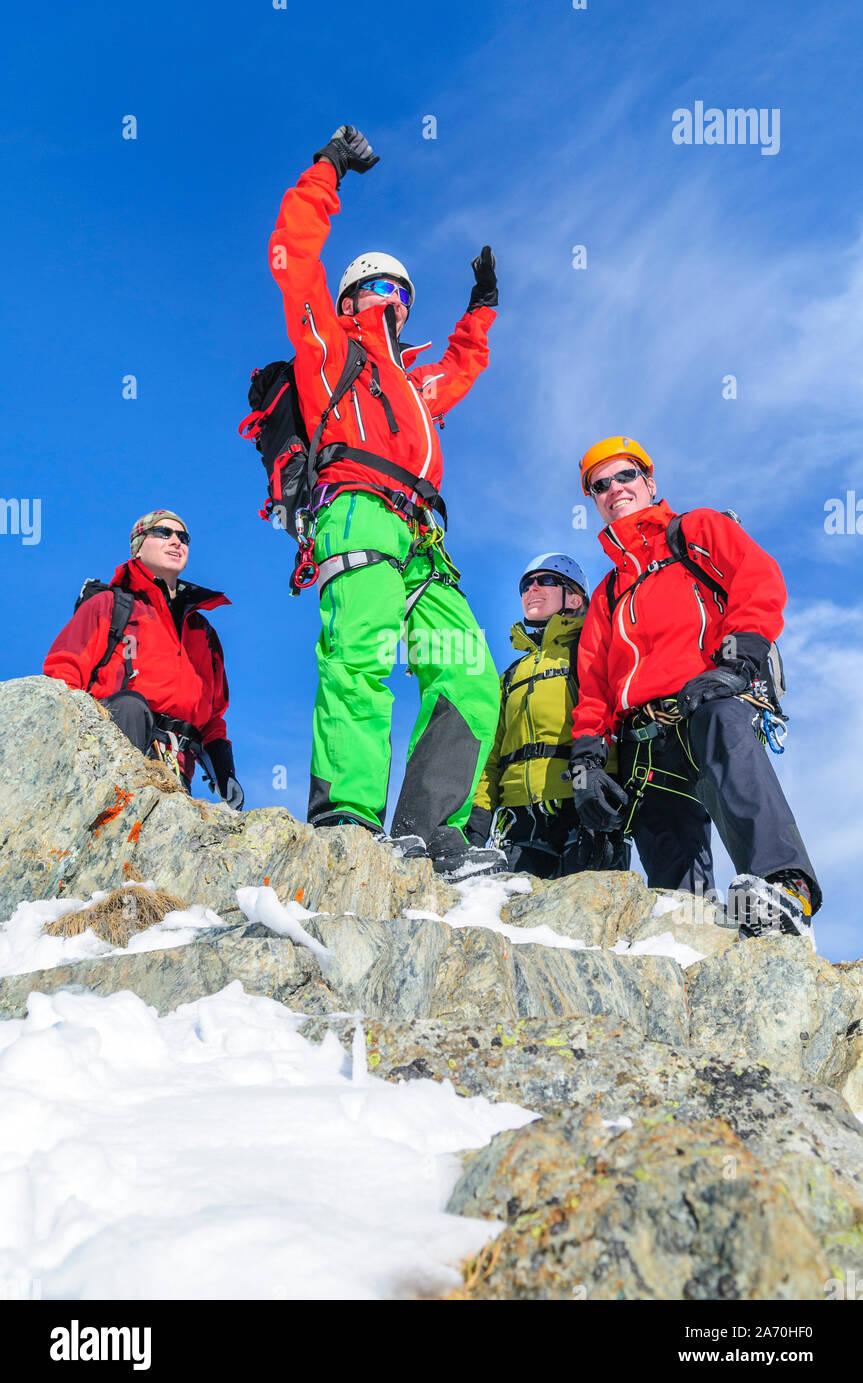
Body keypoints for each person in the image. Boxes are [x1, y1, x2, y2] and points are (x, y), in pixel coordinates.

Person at [268, 123, 502, 875]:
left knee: (465, 667)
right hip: (356, 508)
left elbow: (462, 371)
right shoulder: (328, 350)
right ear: (349, 296)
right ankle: (347, 817)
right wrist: (326, 171)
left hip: (421, 533)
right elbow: (294, 255)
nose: (391, 298)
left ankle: (434, 830)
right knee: (359, 656)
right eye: (376, 286)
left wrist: (480, 309)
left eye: (400, 289)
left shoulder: (414, 383)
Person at [568, 436, 820, 940]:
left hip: (708, 700)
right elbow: (594, 680)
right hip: (644, 738)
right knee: (672, 878)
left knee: (729, 748)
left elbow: (758, 578)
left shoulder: (695, 531)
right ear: (594, 500)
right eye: (600, 485)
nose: (614, 489)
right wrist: (588, 756)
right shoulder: (607, 592)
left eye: (624, 476)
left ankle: (782, 890)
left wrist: (740, 659)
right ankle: (690, 941)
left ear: (649, 482)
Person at [43, 509, 243, 808]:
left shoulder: (203, 632)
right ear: (138, 547)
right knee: (130, 706)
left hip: (176, 774)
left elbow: (212, 717)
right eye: (164, 533)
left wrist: (224, 772)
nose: (176, 541)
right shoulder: (110, 606)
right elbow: (63, 675)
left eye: (183, 537)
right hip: (110, 763)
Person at [467, 554, 631, 878]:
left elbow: (609, 721)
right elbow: (491, 754)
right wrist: (478, 817)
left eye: (546, 581)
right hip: (519, 822)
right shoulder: (511, 676)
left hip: (582, 808)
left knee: (586, 922)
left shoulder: (590, 652)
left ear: (573, 596)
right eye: (526, 585)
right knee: (514, 922)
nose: (532, 589)